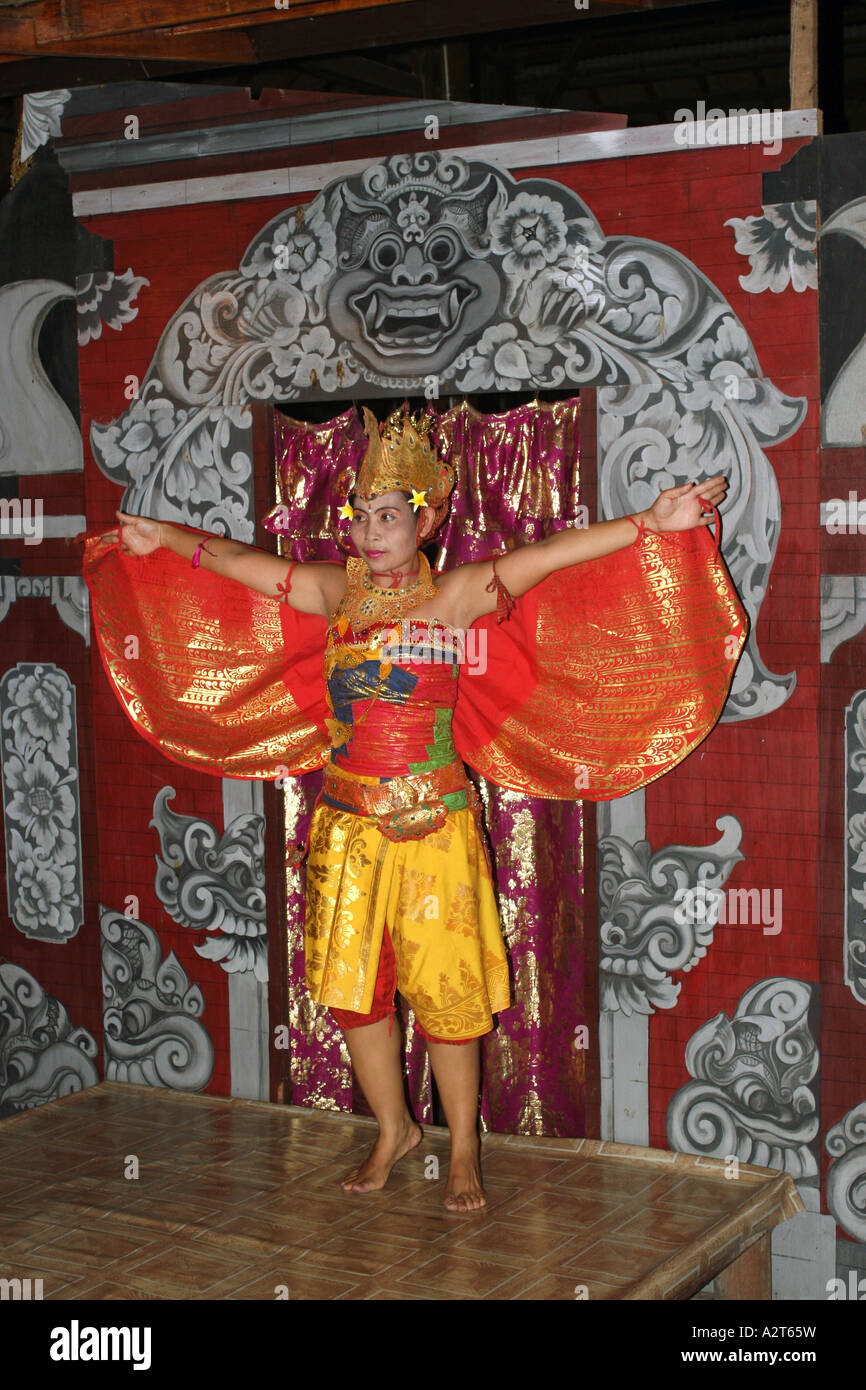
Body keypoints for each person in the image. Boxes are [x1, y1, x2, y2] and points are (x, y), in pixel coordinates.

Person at [102, 404, 733, 1214]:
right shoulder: (333, 591)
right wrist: (163, 535)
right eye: (362, 515)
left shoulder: (458, 597)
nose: (372, 530)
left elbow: (547, 557)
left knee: (448, 992)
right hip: (345, 828)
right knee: (353, 992)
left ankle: (462, 1149)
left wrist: (647, 523)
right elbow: (238, 563)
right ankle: (393, 1129)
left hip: (434, 827)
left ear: (427, 519)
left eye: (390, 515)